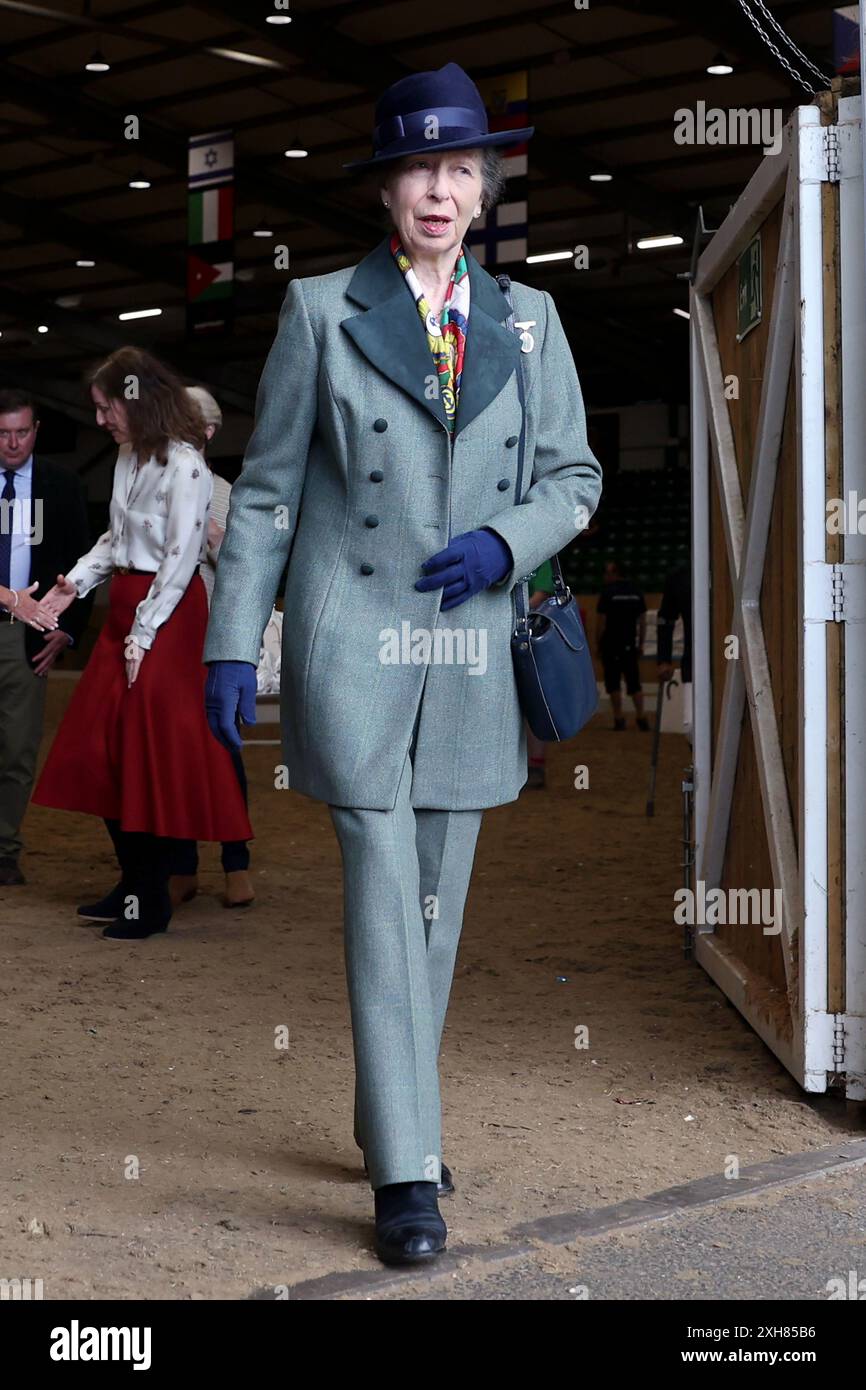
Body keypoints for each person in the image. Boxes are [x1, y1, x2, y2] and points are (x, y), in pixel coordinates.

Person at [202, 61, 602, 1266]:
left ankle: (394, 1118)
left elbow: (575, 481)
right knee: (385, 898)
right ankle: (406, 1178)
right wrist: (234, 640)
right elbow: (266, 496)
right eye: (416, 167)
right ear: (385, 189)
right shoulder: (321, 311)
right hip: (357, 648)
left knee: (433, 912)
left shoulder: (534, 324)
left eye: (459, 168)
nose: (439, 188)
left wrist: (504, 540)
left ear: (483, 189)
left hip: (473, 654)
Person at [31, 347, 252, 940]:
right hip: (126, 608)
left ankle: (152, 897)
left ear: (136, 399)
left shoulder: (188, 466)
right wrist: (70, 587)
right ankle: (133, 883)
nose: (100, 421)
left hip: (169, 618)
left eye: (106, 408)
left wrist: (143, 634)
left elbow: (181, 559)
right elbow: (115, 538)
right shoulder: (129, 456)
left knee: (151, 754)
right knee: (100, 748)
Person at [166, 385, 254, 912]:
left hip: (214, 643)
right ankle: (181, 865)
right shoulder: (154, 488)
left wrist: (209, 534)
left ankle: (236, 863)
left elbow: (245, 568)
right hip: (169, 641)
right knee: (174, 757)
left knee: (224, 752)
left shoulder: (226, 491)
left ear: (208, 433)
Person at [0, 389, 93, 886]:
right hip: (10, 610)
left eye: (21, 431)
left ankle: (4, 850)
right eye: (3, 433)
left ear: (36, 431)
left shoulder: (62, 485)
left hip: (26, 639)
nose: (12, 442)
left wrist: (70, 631)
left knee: (17, 749)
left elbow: (84, 564)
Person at [596, 558, 648, 731]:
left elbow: (601, 622)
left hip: (611, 644)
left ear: (615, 573)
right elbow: (643, 621)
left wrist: (598, 644)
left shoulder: (608, 593)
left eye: (607, 572)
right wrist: (640, 643)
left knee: (614, 683)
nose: (605, 576)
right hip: (629, 643)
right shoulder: (636, 591)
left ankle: (619, 717)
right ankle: (641, 716)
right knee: (634, 682)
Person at [525, 557, 556, 788]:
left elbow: (542, 593)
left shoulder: (541, 556)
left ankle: (536, 765)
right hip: (506, 634)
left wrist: (514, 612)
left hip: (531, 635)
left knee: (535, 704)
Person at [656, 562, 692, 742]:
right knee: (691, 727)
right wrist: (664, 659)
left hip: (730, 662)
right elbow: (666, 619)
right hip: (692, 665)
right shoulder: (679, 577)